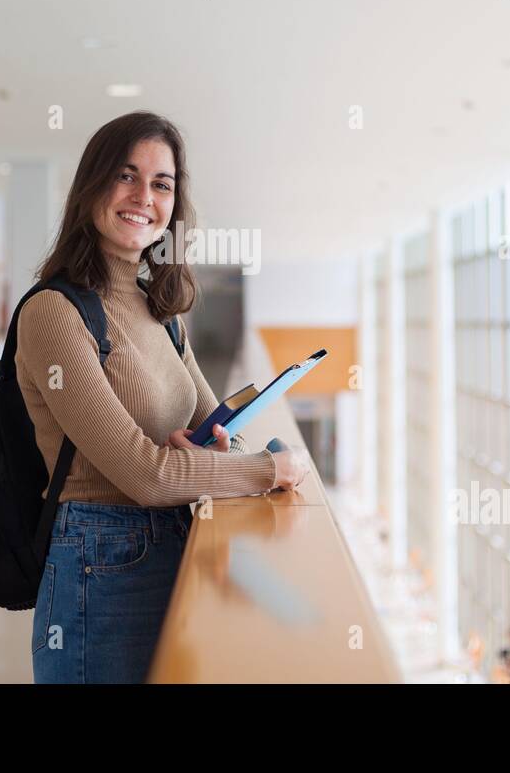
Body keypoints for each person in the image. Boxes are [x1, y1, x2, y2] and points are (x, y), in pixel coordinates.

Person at [16, 111, 310, 683]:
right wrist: (271, 468)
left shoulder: (158, 308)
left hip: (174, 544)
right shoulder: (54, 311)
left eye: (161, 184)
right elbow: (148, 476)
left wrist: (212, 455)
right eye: (125, 176)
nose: (143, 197)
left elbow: (214, 424)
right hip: (99, 565)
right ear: (90, 187)